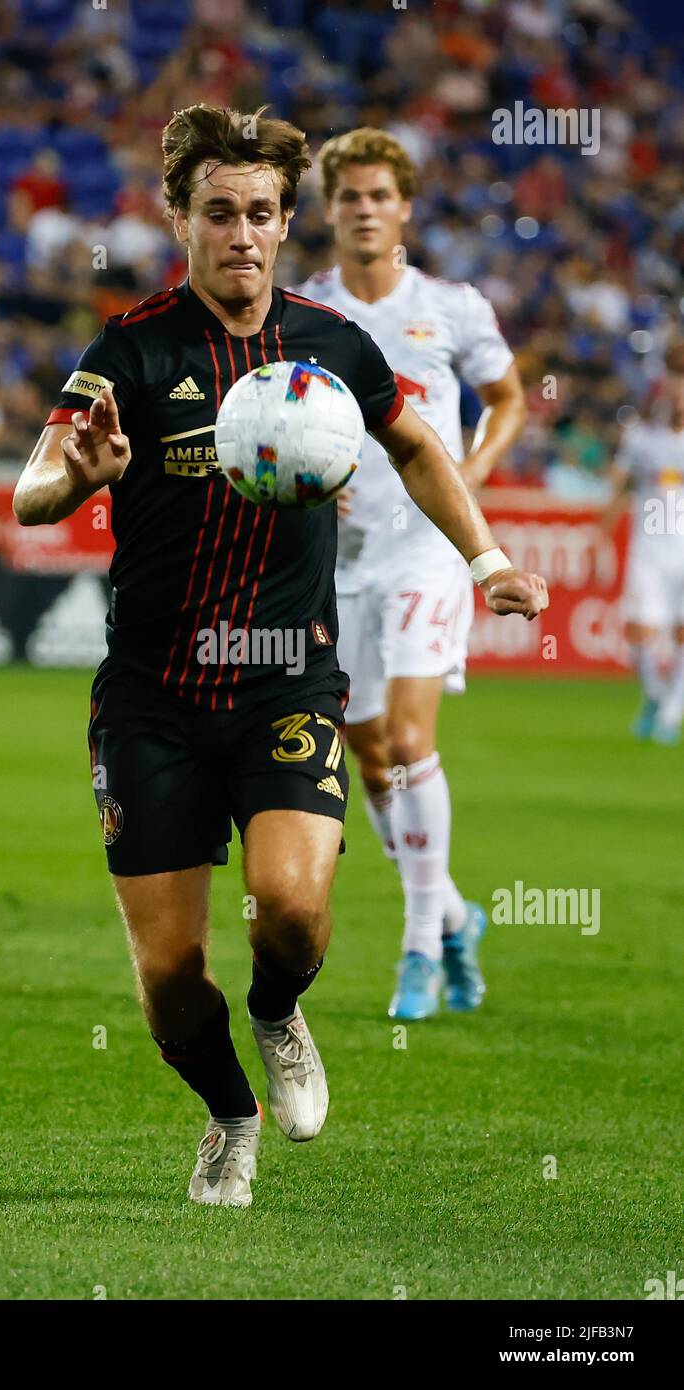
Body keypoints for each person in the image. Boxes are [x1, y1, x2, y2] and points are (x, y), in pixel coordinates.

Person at [13, 105, 547, 1208]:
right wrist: (84, 473)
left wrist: (486, 556)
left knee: (292, 911)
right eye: (218, 213)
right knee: (166, 986)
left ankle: (274, 1013)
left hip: (282, 679)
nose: (242, 234)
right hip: (151, 697)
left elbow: (414, 442)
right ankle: (227, 1113)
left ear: (285, 221)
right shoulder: (130, 346)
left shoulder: (331, 344)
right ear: (179, 219)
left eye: (261, 212)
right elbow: (30, 490)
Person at [296, 129, 527, 1020]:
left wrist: (465, 477)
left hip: (428, 548)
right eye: (348, 197)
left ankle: (420, 947)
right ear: (329, 211)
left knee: (409, 734)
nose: (363, 210)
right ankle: (458, 913)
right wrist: (308, 490)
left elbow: (508, 397)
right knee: (369, 751)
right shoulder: (302, 310)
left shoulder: (453, 306)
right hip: (338, 560)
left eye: (378, 196)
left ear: (404, 207)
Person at [599, 367, 684, 745]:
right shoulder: (641, 438)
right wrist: (600, 535)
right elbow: (619, 485)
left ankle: (671, 712)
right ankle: (655, 696)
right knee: (638, 630)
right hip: (648, 551)